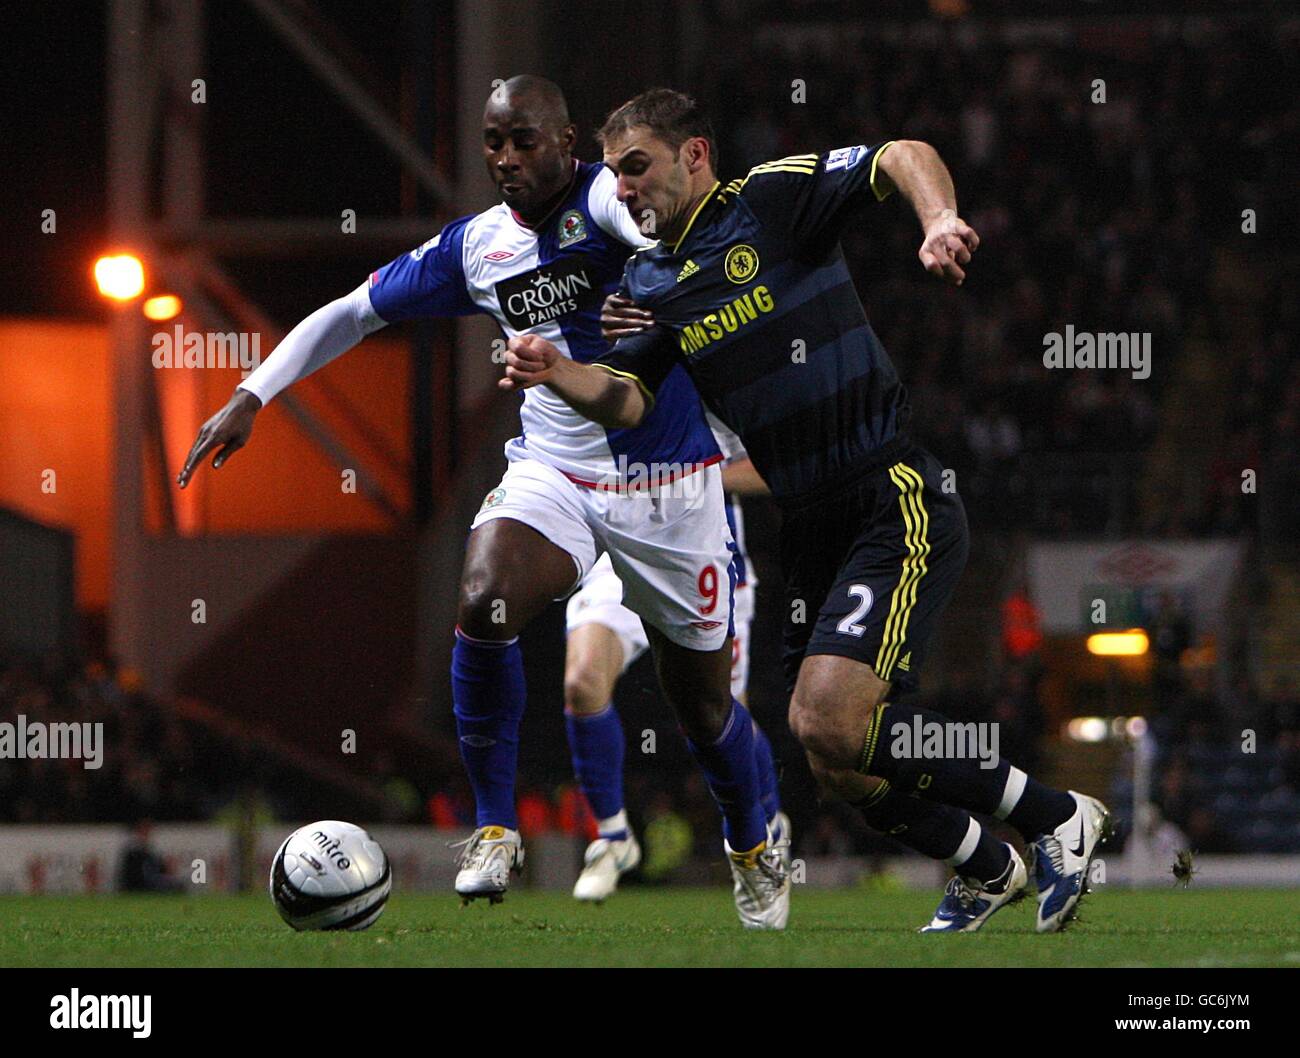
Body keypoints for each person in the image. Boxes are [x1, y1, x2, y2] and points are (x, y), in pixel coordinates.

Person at [177, 77, 788, 928]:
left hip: (667, 483)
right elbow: (354, 312)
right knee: (484, 600)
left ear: (567, 141)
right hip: (556, 471)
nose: (506, 159)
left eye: (524, 141)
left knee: (706, 708)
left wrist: (653, 298)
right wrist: (252, 393)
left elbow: (678, 242)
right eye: (493, 142)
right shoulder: (477, 247)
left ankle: (754, 846)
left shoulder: (611, 202)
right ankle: (495, 827)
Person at [500, 88, 1109, 933]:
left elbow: (902, 149)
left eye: (638, 167)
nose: (626, 189)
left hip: (889, 493)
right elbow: (630, 399)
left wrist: (937, 219)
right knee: (834, 760)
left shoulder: (771, 200)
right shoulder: (650, 277)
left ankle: (1054, 817)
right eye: (614, 176)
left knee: (830, 718)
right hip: (809, 524)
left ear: (695, 154)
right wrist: (550, 368)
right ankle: (985, 862)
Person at [562, 415, 787, 901]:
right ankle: (612, 838)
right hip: (616, 546)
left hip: (703, 553)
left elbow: (779, 468)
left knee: (721, 719)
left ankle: (769, 828)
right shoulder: (598, 354)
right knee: (582, 683)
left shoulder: (716, 358)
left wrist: (697, 476)